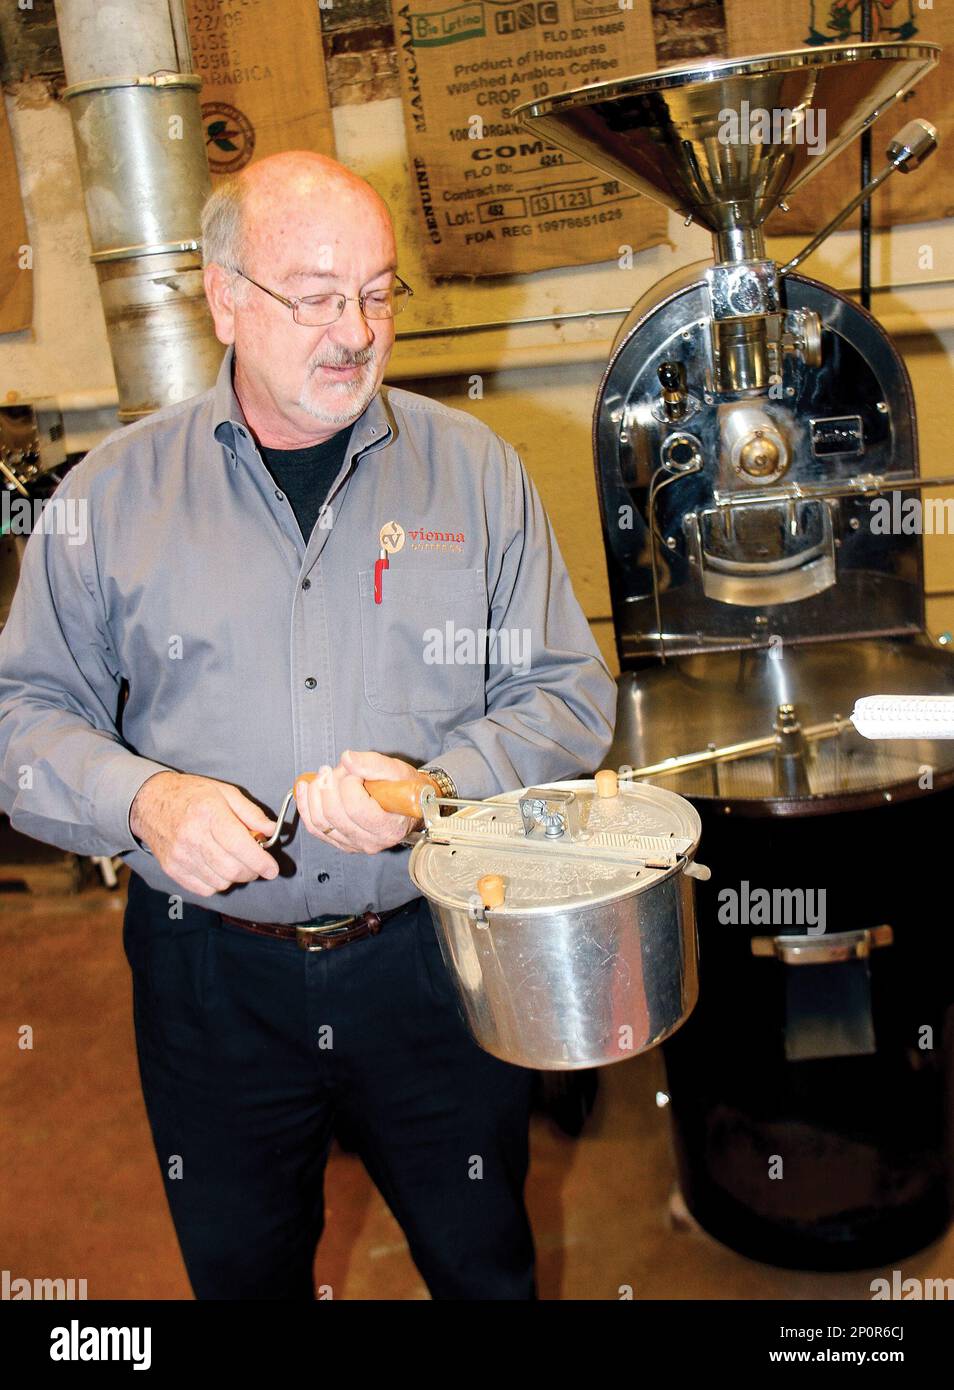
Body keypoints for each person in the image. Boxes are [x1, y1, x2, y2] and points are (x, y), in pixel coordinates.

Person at [0, 151, 616, 1300]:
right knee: (245, 1279)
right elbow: (19, 715)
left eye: (380, 292)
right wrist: (143, 799)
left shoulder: (472, 471)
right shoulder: (110, 497)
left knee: (488, 1267)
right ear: (224, 294)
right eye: (317, 295)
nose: (358, 330)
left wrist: (434, 784)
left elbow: (567, 693)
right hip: (208, 984)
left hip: (436, 961)